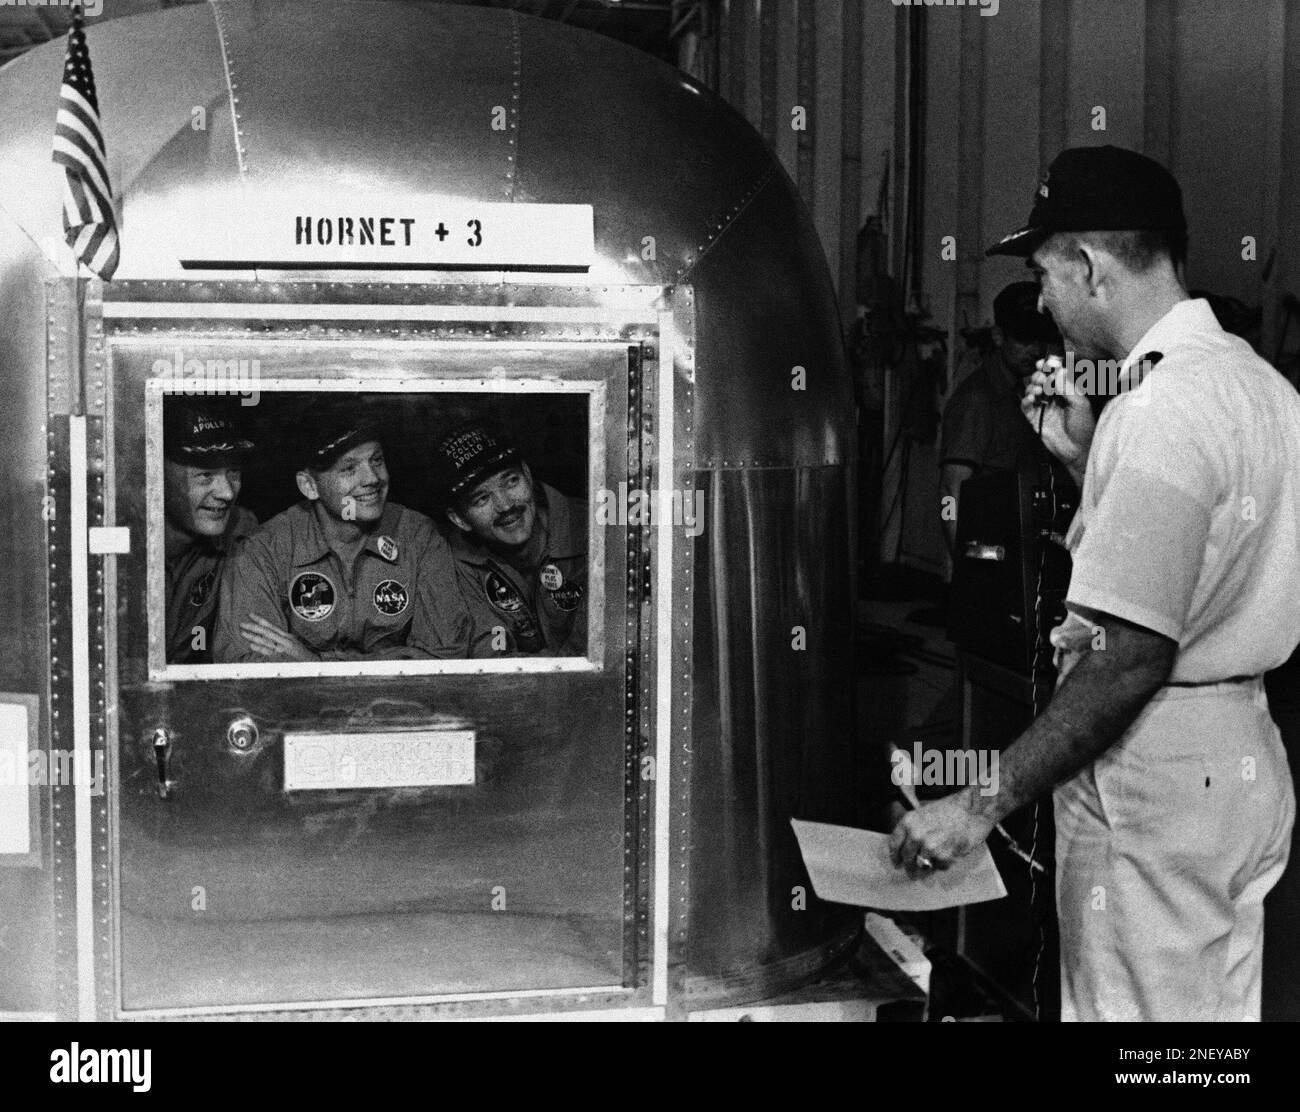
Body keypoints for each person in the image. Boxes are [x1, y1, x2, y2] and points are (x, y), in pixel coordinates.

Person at [890, 144, 1300, 1022]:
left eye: (1045, 273)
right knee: (1208, 1029)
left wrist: (976, 803)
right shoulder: (1260, 390)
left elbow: (1129, 658)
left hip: (1152, 774)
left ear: (1089, 265)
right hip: (1238, 757)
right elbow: (1205, 562)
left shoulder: (1158, 411)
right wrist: (1083, 463)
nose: (1041, 301)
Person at [213, 406, 471, 661]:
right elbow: (247, 665)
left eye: (376, 460)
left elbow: (444, 658)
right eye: (349, 468)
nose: (372, 478)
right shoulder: (264, 549)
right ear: (310, 486)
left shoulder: (419, 537)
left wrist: (314, 665)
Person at [939, 281, 1071, 555]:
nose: (1035, 349)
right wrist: (971, 562)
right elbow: (951, 492)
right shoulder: (977, 400)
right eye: (1024, 339)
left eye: (1040, 338)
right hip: (991, 557)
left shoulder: (1025, 395)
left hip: (1022, 554)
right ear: (999, 337)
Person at [434, 422, 587, 657]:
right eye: (481, 499)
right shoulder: (454, 564)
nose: (505, 505)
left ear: (527, 474)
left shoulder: (595, 532)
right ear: (459, 519)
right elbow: (490, 657)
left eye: (511, 482)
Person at [162, 402, 257, 664]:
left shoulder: (240, 531)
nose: (227, 493)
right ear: (157, 475)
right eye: (206, 475)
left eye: (233, 472)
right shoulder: (121, 546)